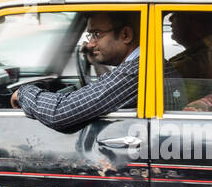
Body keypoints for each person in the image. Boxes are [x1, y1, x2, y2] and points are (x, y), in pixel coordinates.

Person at [10, 11, 184, 131]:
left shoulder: (136, 72)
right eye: (90, 36)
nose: (90, 44)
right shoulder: (144, 66)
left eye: (96, 34)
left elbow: (59, 112)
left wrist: (23, 92)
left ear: (126, 35)